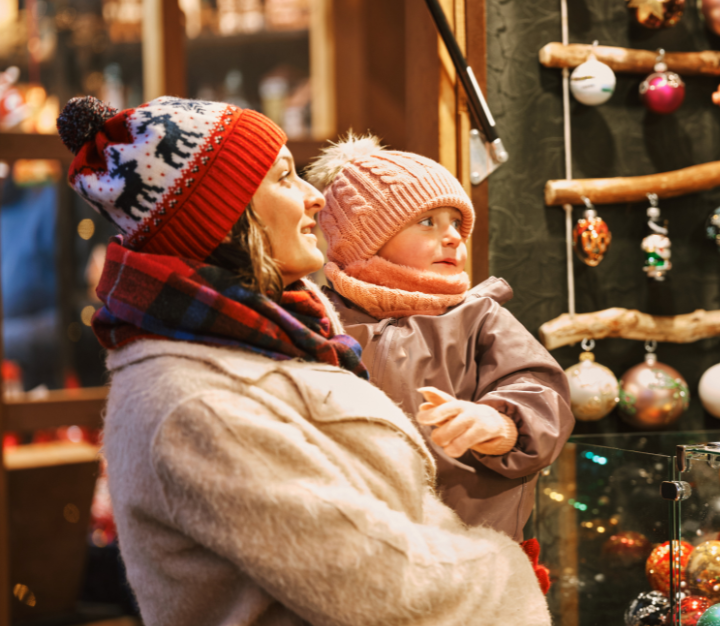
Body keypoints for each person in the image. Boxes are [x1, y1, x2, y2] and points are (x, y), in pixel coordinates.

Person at [57, 95, 551, 625]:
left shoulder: (282, 340)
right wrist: (508, 574)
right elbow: (380, 584)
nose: (316, 197)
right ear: (226, 215)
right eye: (285, 178)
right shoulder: (199, 403)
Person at [306, 135, 573, 541]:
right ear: (366, 240)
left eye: (456, 225)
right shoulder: (320, 318)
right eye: (428, 222)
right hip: (349, 544)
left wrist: (501, 424)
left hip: (472, 549)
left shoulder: (478, 316)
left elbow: (539, 389)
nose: (452, 237)